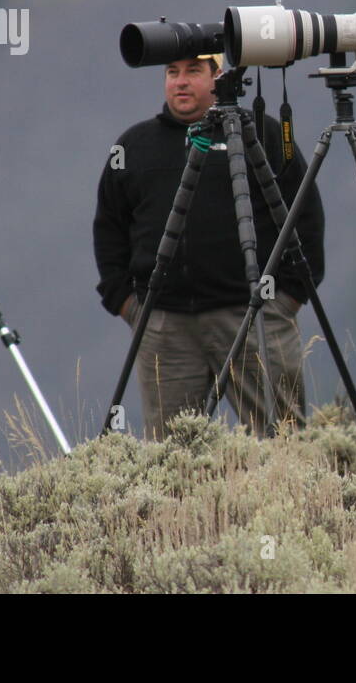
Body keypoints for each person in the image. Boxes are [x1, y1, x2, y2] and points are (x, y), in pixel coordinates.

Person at [93, 51, 325, 439]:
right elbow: (109, 228)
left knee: (283, 443)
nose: (180, 81)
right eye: (172, 71)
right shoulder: (133, 147)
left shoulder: (261, 135)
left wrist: (287, 298)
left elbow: (305, 215)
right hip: (166, 326)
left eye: (194, 71)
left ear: (219, 77)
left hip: (253, 316)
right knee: (170, 460)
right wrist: (128, 305)